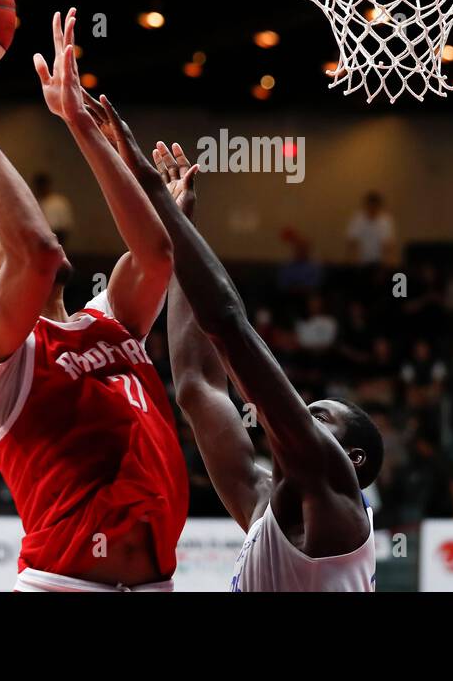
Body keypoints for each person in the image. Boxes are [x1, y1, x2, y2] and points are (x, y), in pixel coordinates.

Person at [0, 10, 186, 592]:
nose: (32, 223)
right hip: (61, 584)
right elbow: (39, 253)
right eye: (3, 224)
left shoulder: (108, 323)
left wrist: (80, 124)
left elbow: (158, 254)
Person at [105, 112, 382, 591]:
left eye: (320, 417)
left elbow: (229, 326)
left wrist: (154, 195)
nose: (300, 415)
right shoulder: (264, 503)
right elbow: (197, 384)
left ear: (351, 459)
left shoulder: (335, 493)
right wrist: (175, 229)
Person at [345, 192, 396, 266]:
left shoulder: (386, 221)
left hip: (379, 262)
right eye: (370, 206)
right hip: (361, 261)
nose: (372, 209)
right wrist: (351, 261)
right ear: (366, 206)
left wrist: (387, 264)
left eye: (374, 207)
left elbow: (387, 246)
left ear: (379, 207)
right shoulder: (357, 219)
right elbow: (352, 242)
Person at [31, 172, 74, 246]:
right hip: (37, 240)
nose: (41, 189)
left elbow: (65, 226)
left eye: (43, 186)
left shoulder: (59, 202)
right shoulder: (33, 203)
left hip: (57, 237)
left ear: (48, 185)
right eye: (39, 186)